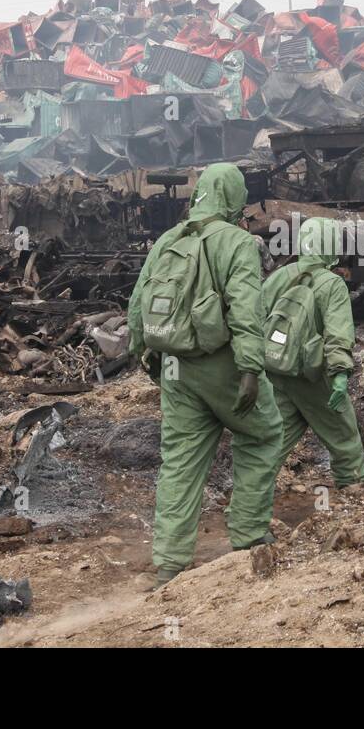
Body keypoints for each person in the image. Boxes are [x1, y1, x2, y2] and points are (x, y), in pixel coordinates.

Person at [127, 163, 284, 587]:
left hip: (176, 367)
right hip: (224, 364)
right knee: (264, 435)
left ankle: (168, 563)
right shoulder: (237, 242)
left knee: (179, 460)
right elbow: (246, 309)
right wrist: (251, 368)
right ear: (235, 198)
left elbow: (138, 302)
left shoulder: (168, 240)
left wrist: (143, 353)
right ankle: (249, 535)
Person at [263, 216, 364, 487]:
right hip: (314, 376)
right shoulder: (331, 284)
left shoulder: (278, 277)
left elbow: (253, 319)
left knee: (274, 442)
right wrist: (340, 373)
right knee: (344, 437)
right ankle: (354, 495)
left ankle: (245, 505)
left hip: (278, 371)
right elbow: (338, 333)